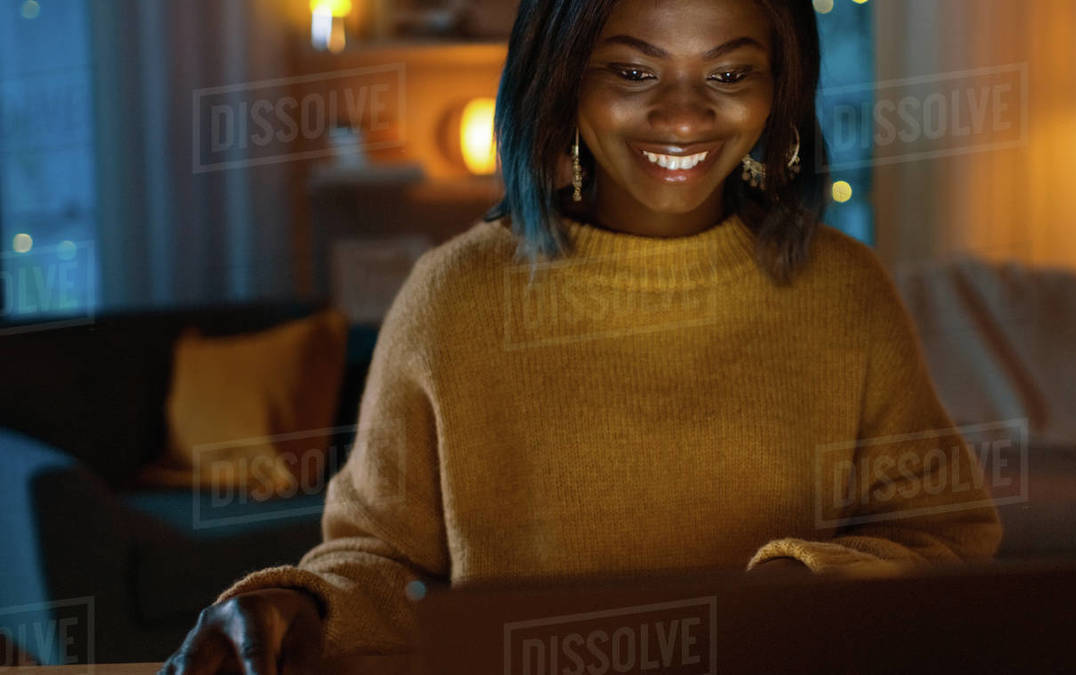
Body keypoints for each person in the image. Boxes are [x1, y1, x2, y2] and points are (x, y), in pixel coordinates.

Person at [162, 0, 1002, 671]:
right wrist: (298, 607)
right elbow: (380, 561)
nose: (683, 112)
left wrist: (795, 590)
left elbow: (946, 539)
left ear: (780, 87)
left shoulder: (845, 291)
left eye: (731, 71)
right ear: (561, 79)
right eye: (633, 70)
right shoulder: (453, 298)